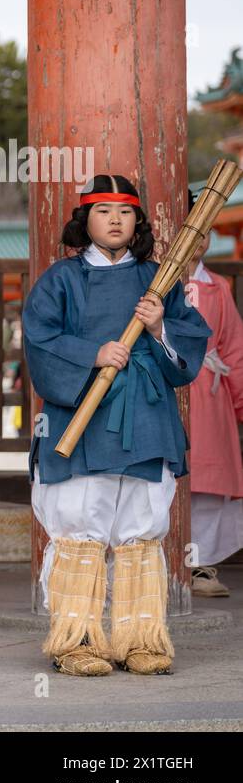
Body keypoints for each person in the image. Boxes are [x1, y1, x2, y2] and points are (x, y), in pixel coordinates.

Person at [22, 173, 209, 676]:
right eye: (103, 211)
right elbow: (39, 338)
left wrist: (159, 326)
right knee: (81, 526)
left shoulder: (159, 280)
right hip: (82, 416)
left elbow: (189, 344)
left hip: (146, 413)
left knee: (140, 531)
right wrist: (93, 353)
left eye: (125, 212)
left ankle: (141, 640)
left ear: (137, 222)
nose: (115, 221)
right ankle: (76, 641)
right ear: (85, 220)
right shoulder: (60, 279)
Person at [184, 233, 243, 596]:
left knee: (206, 485)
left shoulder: (218, 285)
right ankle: (158, 564)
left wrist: (240, 401)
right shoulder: (150, 277)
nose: (199, 237)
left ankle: (199, 564)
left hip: (209, 389)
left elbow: (234, 348)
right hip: (165, 386)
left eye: (205, 229)